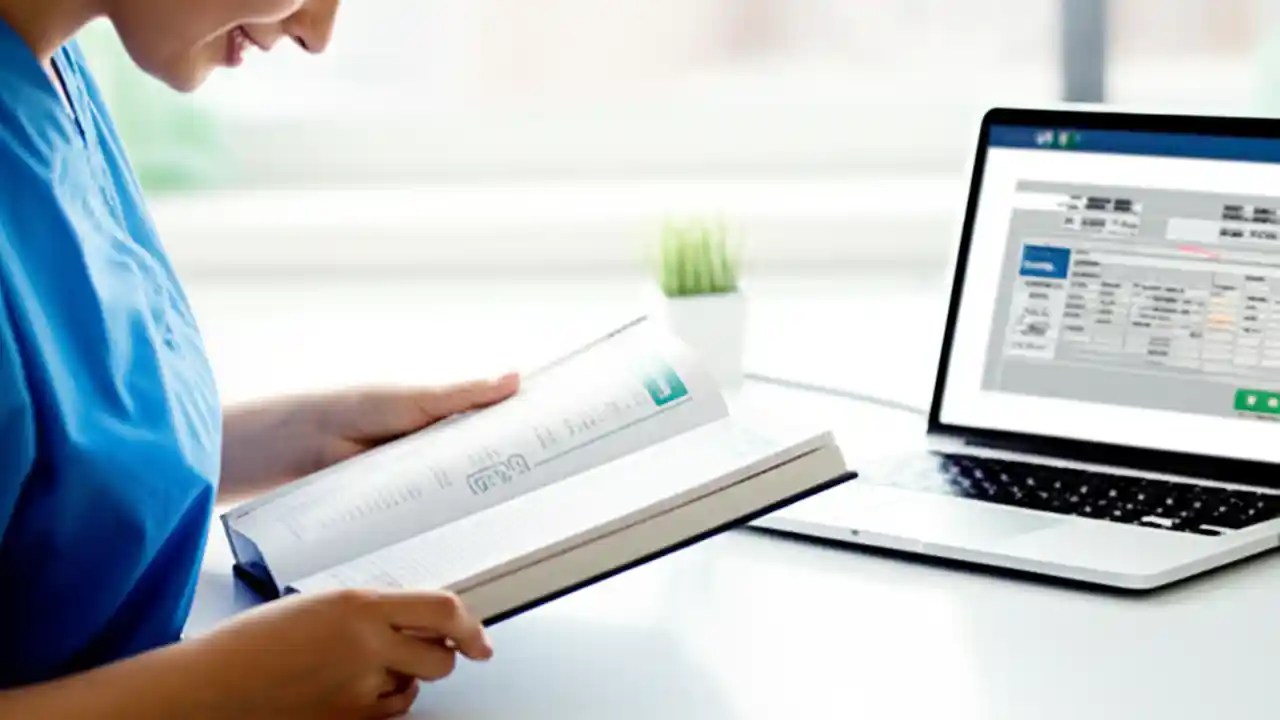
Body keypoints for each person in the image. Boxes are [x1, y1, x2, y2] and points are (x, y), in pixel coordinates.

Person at [0, 0, 522, 716]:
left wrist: (295, 439)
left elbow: (39, 452)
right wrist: (228, 686)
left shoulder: (51, 67)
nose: (317, 33)